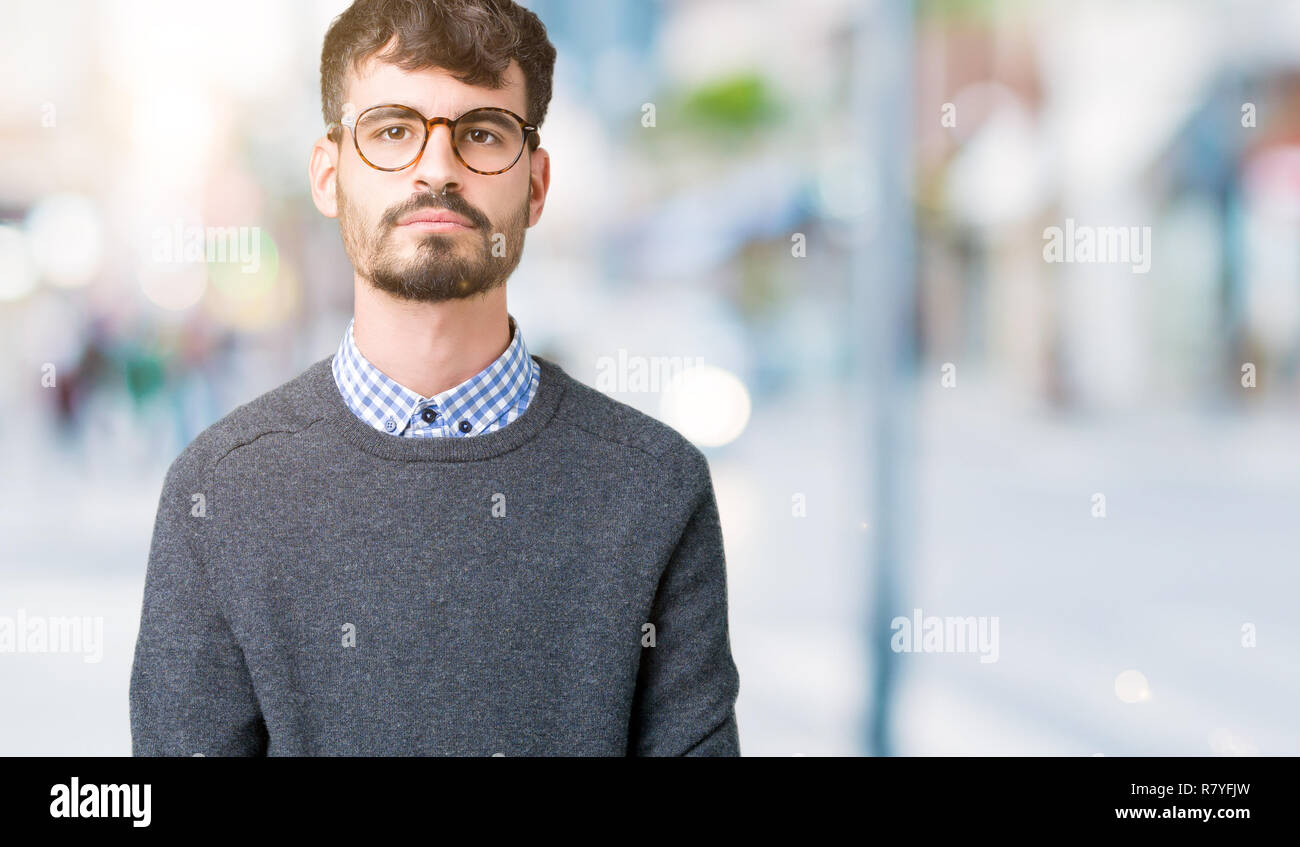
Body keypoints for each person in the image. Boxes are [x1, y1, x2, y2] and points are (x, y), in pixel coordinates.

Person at [129, 0, 741, 756]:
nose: (437, 169)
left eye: (482, 133)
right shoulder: (217, 493)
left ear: (537, 184)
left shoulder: (656, 487)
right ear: (329, 175)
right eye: (393, 130)